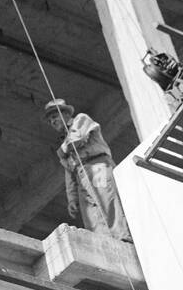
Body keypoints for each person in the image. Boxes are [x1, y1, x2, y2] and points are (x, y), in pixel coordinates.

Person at [44, 99, 133, 242]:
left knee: (107, 201)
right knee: (91, 217)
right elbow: (69, 173)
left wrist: (62, 150)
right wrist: (72, 199)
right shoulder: (64, 142)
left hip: (97, 166)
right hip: (81, 176)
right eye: (50, 120)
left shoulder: (81, 119)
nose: (52, 122)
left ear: (65, 113)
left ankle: (122, 237)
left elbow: (76, 139)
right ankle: (106, 244)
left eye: (54, 117)